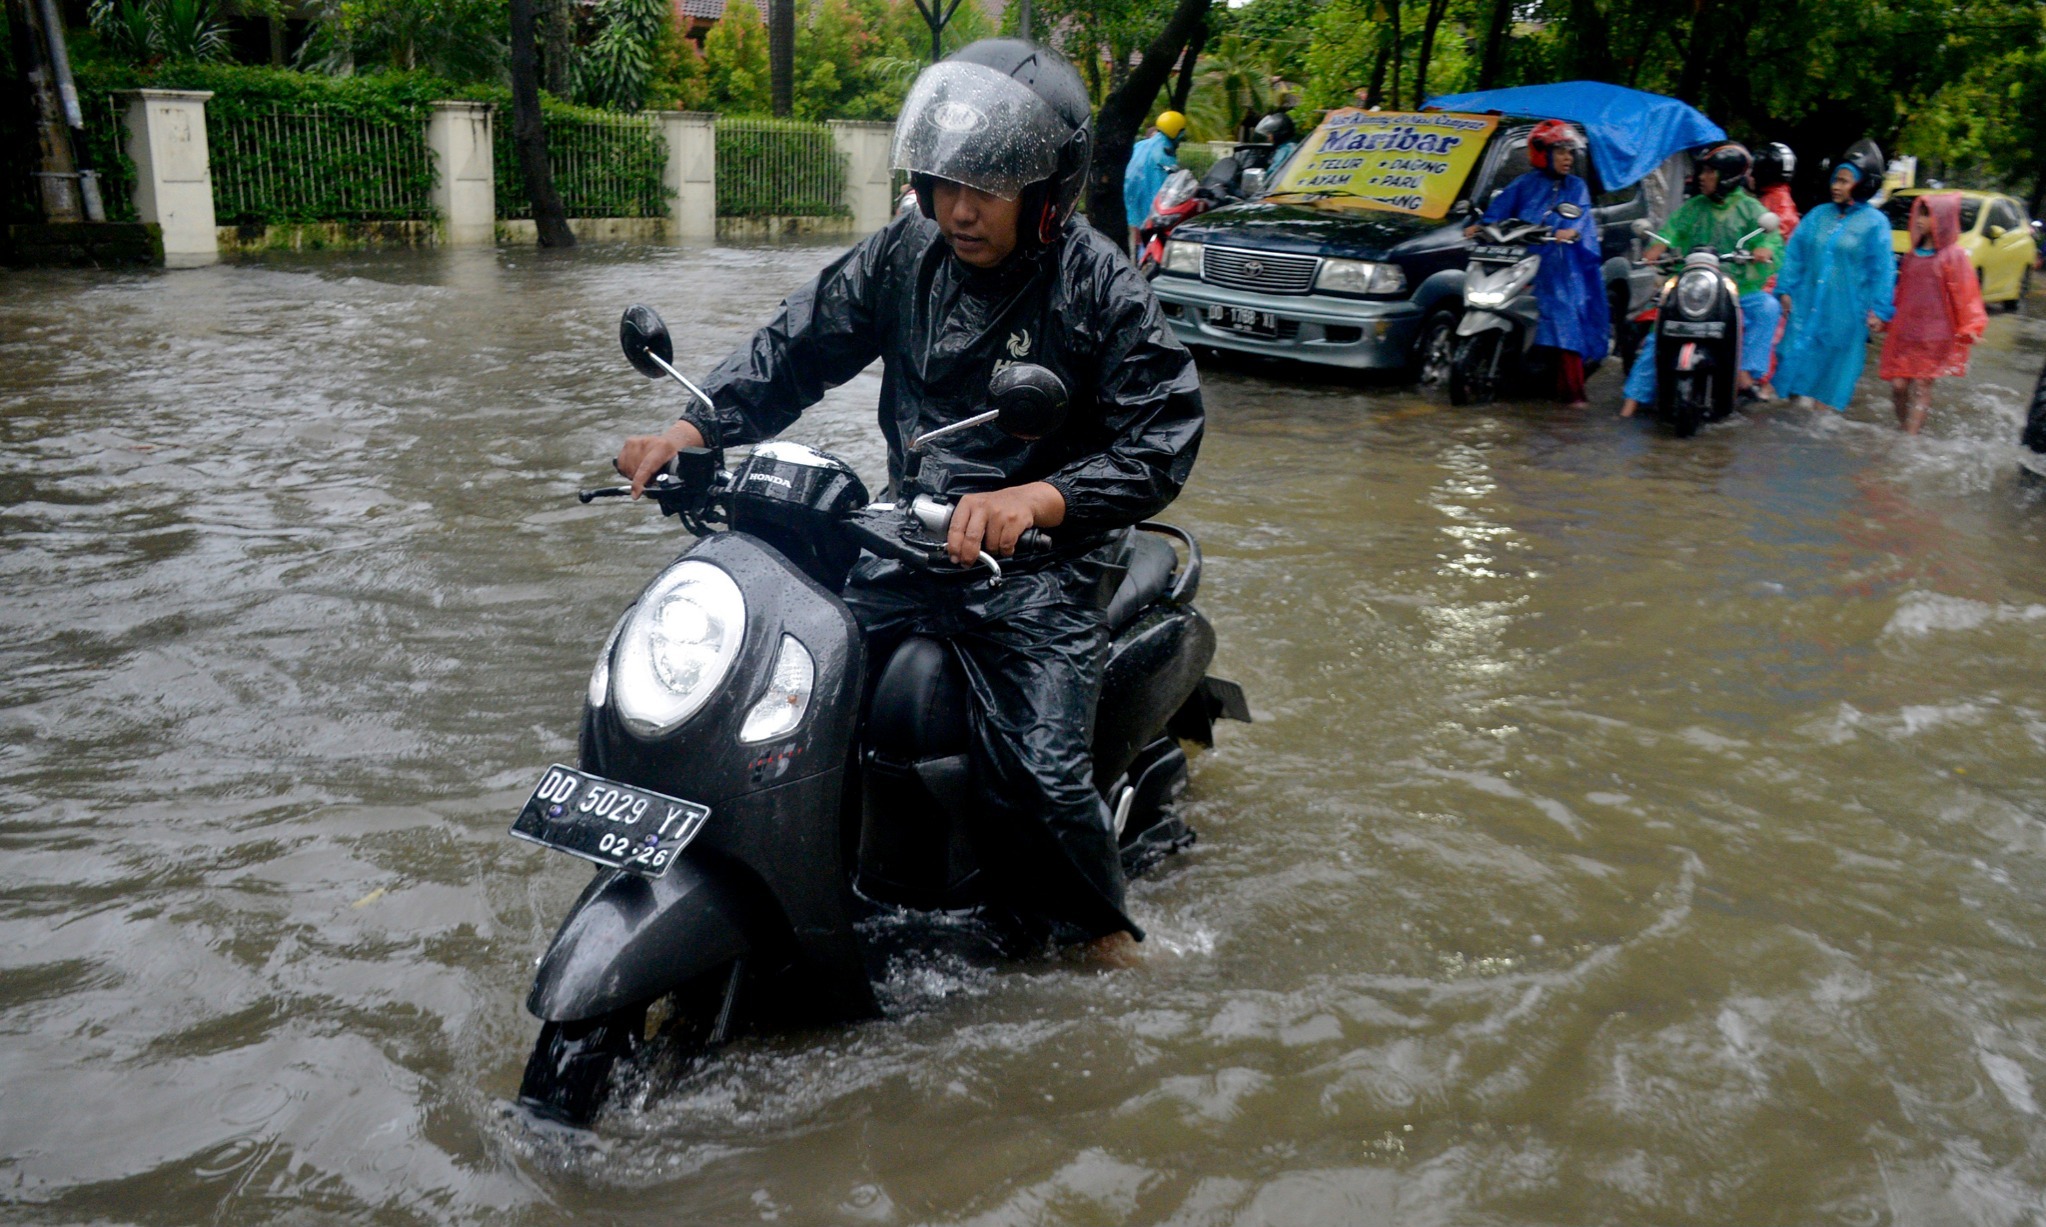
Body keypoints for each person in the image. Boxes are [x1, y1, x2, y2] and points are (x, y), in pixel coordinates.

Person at [614, 40, 1204, 958]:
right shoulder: (906, 253)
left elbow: (1165, 434)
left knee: (1041, 777)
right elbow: (800, 344)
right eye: (943, 182)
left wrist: (1040, 499)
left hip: (1044, 568)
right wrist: (693, 432)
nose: (960, 208)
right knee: (792, 689)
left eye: (988, 188)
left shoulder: (1099, 285)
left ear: (1047, 193)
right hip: (911, 538)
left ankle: (1108, 941)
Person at [1619, 143, 1783, 417]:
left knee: (1768, 307)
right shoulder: (1693, 207)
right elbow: (1671, 230)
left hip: (1736, 291)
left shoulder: (1750, 209)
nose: (1702, 178)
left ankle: (1745, 372)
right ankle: (1630, 404)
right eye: (1703, 172)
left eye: (1710, 172)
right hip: (1691, 287)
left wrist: (1764, 249)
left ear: (1728, 176)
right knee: (1656, 335)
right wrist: (1657, 247)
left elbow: (1772, 239)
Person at [1463, 120, 1609, 406]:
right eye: (1562, 152)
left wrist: (1571, 231)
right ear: (1544, 153)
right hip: (1524, 262)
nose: (1568, 158)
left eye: (1570, 153)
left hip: (1560, 268)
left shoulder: (1577, 187)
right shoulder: (1524, 183)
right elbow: (1499, 211)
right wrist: (1480, 226)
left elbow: (1580, 218)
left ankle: (1572, 394)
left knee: (1565, 316)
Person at [1773, 140, 1896, 413]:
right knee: (1793, 360)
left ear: (1862, 184)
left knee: (1830, 376)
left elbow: (1883, 271)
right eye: (1835, 180)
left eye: (1844, 181)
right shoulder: (1817, 216)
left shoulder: (1875, 224)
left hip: (1846, 313)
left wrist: (1879, 310)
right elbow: (1795, 255)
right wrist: (1784, 290)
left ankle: (1818, 430)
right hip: (1805, 305)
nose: (1836, 186)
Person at [1879, 192, 1987, 433]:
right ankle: (1903, 424)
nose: (1920, 219)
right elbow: (1901, 293)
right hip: (1906, 332)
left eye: (1928, 214)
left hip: (1935, 336)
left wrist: (1971, 327)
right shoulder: (1911, 255)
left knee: (1922, 386)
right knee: (1898, 385)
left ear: (1943, 219)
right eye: (1920, 212)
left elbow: (1966, 294)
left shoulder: (1954, 256)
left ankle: (1910, 437)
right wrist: (1885, 319)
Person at [1124, 110, 1187, 255]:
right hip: (1150, 212)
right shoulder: (1165, 155)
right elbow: (1166, 188)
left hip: (1129, 208)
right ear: (1175, 131)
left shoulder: (1140, 145)